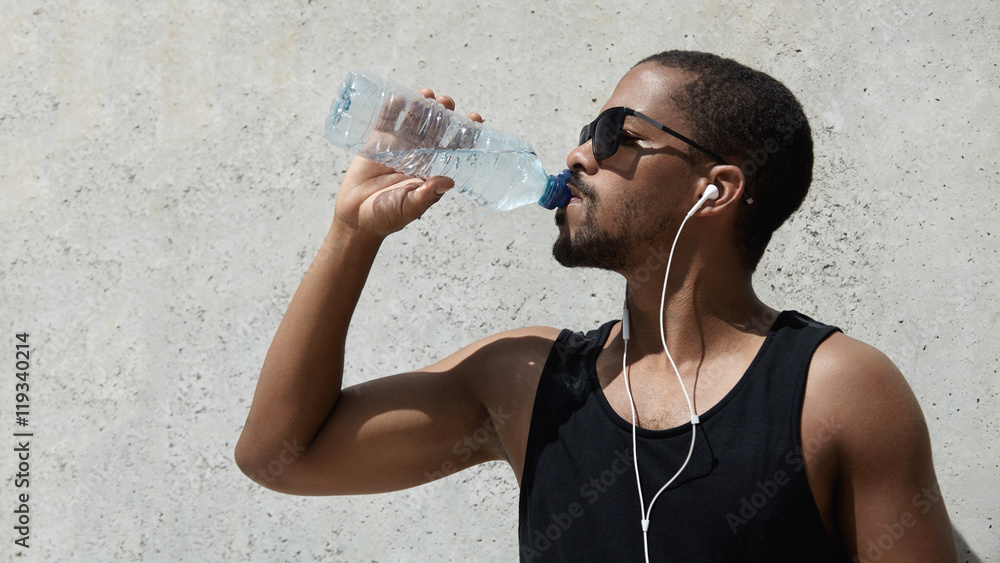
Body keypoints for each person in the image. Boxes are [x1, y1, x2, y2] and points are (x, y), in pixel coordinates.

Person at [235, 51, 958, 561]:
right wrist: (351, 235)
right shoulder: (524, 380)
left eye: (616, 133)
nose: (579, 153)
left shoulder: (835, 389)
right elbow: (279, 457)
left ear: (718, 188)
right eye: (587, 130)